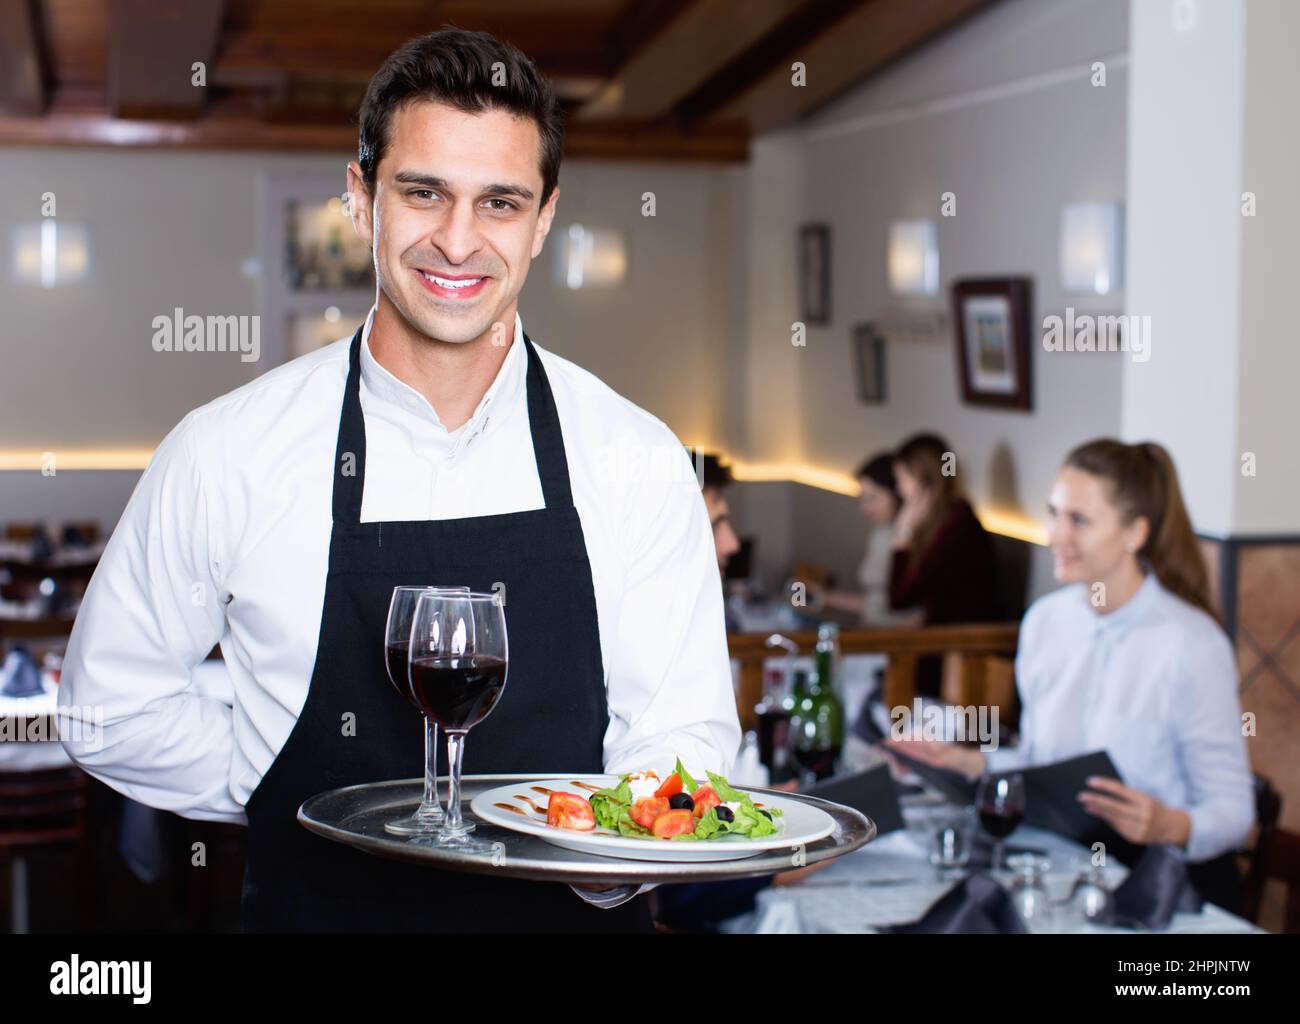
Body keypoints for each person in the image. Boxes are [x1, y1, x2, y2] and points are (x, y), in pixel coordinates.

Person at [58, 28, 740, 934]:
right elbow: (110, 708)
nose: (458, 242)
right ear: (360, 197)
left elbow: (682, 738)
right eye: (423, 192)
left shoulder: (636, 456)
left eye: (500, 202)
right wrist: (278, 784)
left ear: (542, 221)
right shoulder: (228, 450)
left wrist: (605, 856)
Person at [884, 439, 1255, 909]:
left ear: (1134, 533)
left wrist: (1170, 825)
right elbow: (1044, 765)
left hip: (1161, 889)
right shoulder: (1045, 622)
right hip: (1062, 871)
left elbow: (1234, 813)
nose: (1056, 535)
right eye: (1054, 513)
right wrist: (968, 764)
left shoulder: (1191, 644)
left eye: (1078, 520)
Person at [884, 432, 1002, 699]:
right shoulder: (949, 520)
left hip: (958, 656)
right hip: (942, 647)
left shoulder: (957, 529)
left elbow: (899, 598)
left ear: (924, 479)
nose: (900, 490)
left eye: (902, 480)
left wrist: (902, 533)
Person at [810, 452, 917, 625]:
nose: (865, 508)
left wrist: (827, 598)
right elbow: (874, 601)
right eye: (862, 499)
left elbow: (893, 607)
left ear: (897, 494)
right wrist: (824, 598)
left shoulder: (906, 537)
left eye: (873, 498)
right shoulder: (880, 532)